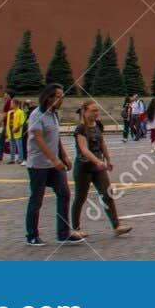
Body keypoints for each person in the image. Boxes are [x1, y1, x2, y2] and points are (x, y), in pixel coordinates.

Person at [24, 84, 82, 246]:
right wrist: (54, 160)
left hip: (54, 165)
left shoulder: (53, 115)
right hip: (38, 165)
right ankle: (31, 235)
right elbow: (38, 139)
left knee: (64, 194)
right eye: (59, 96)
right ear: (49, 97)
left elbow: (56, 138)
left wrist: (63, 156)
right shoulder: (37, 115)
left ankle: (63, 233)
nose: (62, 100)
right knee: (36, 199)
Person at [70, 101, 131, 239]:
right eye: (93, 110)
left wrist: (108, 159)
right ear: (85, 112)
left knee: (107, 194)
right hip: (83, 167)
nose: (96, 113)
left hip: (98, 167)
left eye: (97, 110)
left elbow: (102, 143)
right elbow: (84, 150)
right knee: (80, 197)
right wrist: (97, 161)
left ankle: (116, 226)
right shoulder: (80, 129)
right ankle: (76, 228)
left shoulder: (98, 125)